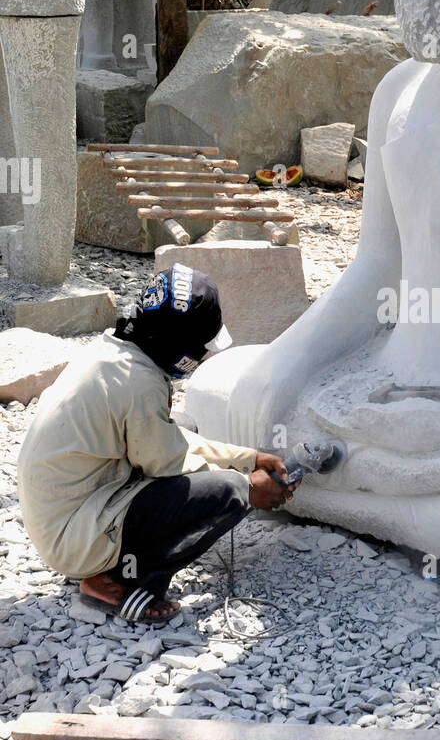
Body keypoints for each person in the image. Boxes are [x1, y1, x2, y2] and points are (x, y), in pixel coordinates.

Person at [17, 264, 291, 624]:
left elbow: (167, 440)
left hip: (67, 519)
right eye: (201, 346)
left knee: (195, 446)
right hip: (73, 538)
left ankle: (109, 562)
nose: (202, 355)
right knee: (227, 493)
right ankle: (116, 581)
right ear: (182, 345)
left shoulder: (116, 353)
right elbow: (168, 463)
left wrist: (247, 457)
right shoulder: (139, 383)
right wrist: (247, 485)